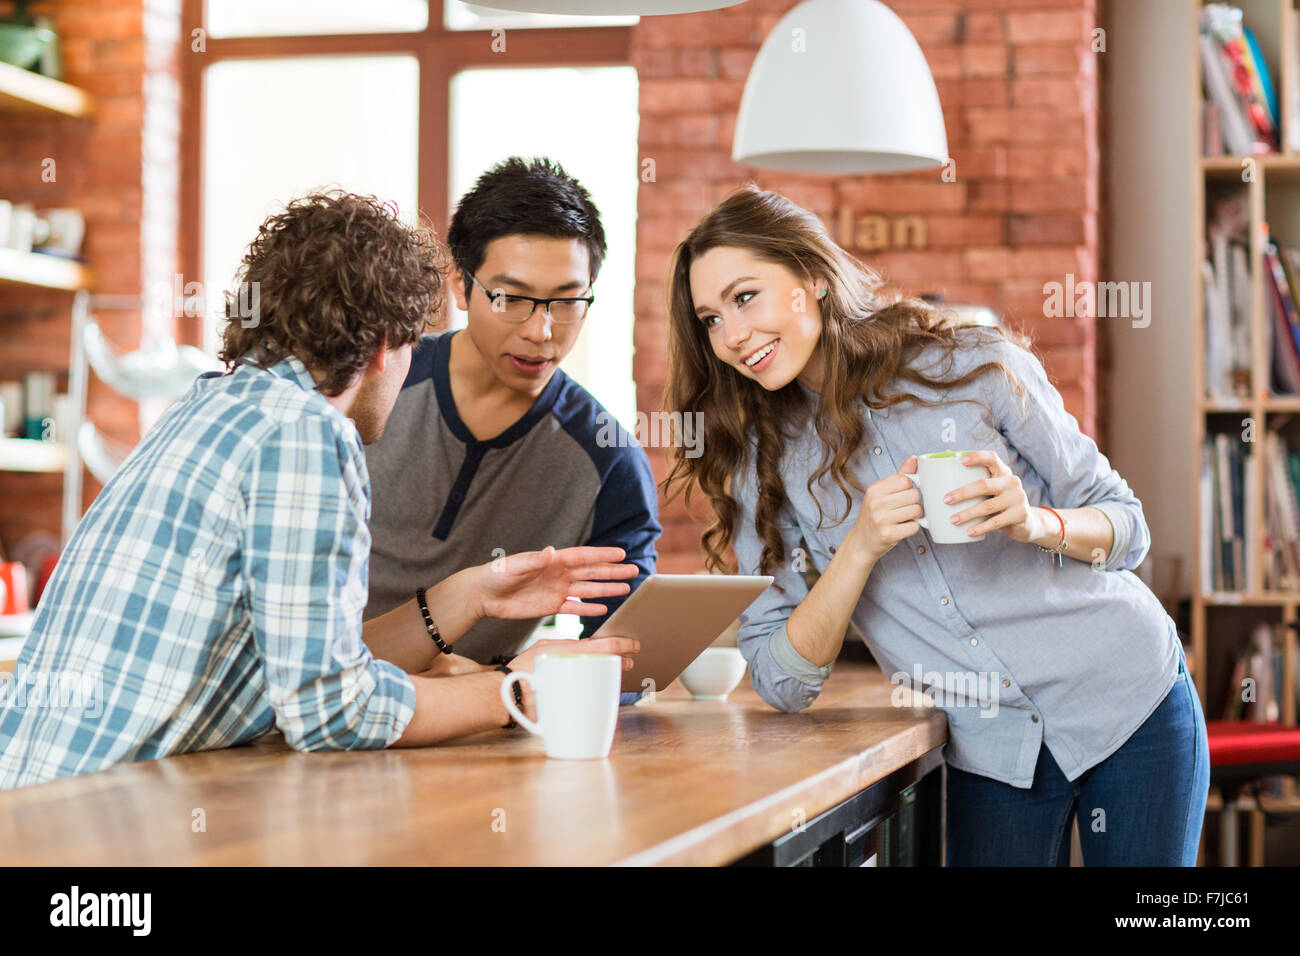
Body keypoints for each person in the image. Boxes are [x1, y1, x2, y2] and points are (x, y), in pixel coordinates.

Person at [0, 190, 639, 791]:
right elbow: (331, 715)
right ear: (387, 348)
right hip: (84, 834)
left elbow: (312, 676)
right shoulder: (307, 432)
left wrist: (468, 594)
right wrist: (518, 693)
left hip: (39, 803)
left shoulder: (215, 404)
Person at [660, 183, 1209, 866]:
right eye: (710, 319)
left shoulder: (970, 363)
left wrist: (1035, 521)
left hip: (1130, 701)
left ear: (812, 279)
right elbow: (781, 680)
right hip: (992, 751)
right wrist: (857, 549)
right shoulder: (758, 462)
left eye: (745, 298)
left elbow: (1128, 527)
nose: (733, 335)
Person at [363, 157, 660, 704]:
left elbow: (632, 663)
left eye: (567, 300)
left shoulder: (608, 461)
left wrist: (515, 680)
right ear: (459, 283)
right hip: (313, 706)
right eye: (511, 298)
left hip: (477, 728)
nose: (541, 330)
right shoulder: (372, 386)